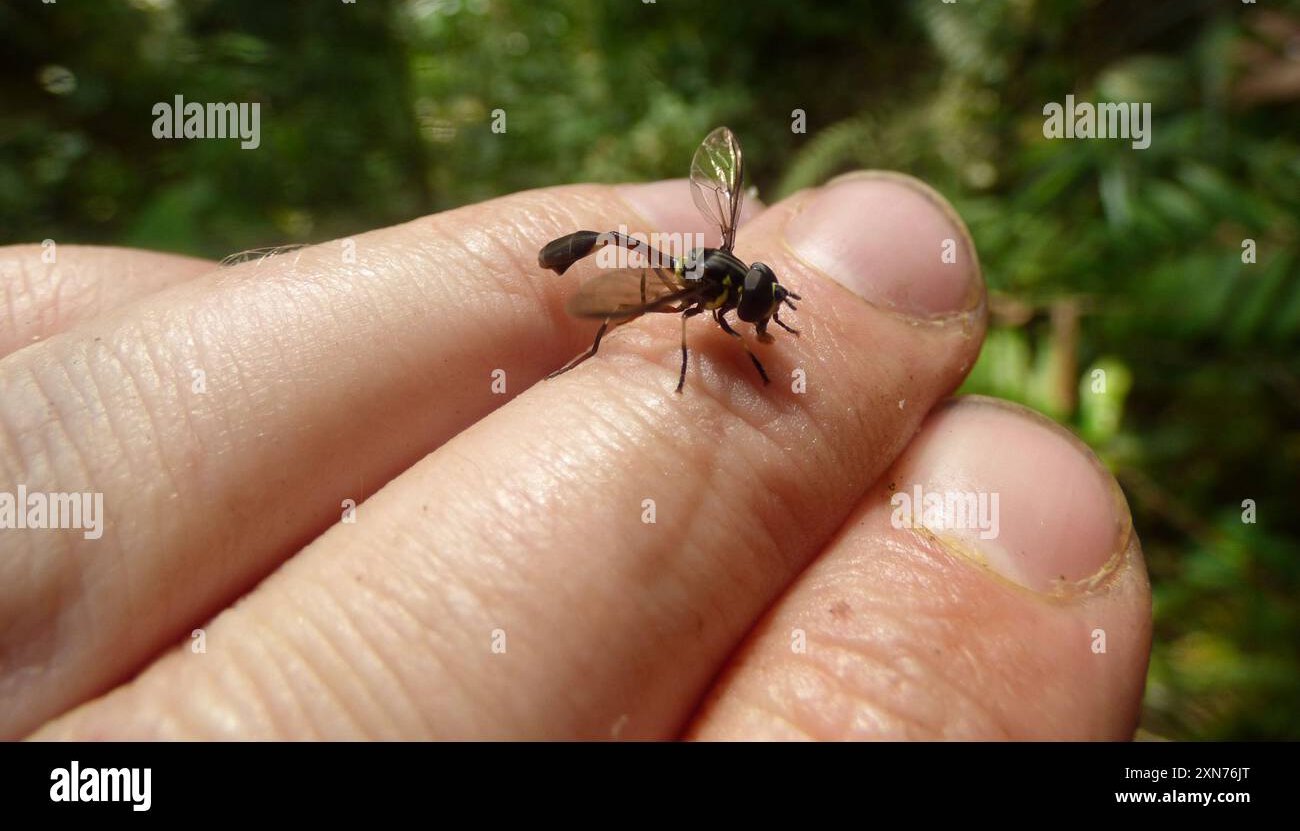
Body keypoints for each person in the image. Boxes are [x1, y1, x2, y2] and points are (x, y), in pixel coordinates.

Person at [0, 171, 1150, 740]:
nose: (762, 301)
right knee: (632, 316)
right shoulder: (693, 289)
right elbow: (685, 315)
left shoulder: (739, 277)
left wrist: (764, 309)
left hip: (644, 261)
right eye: (756, 295)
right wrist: (705, 356)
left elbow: (750, 297)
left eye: (758, 293)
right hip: (622, 272)